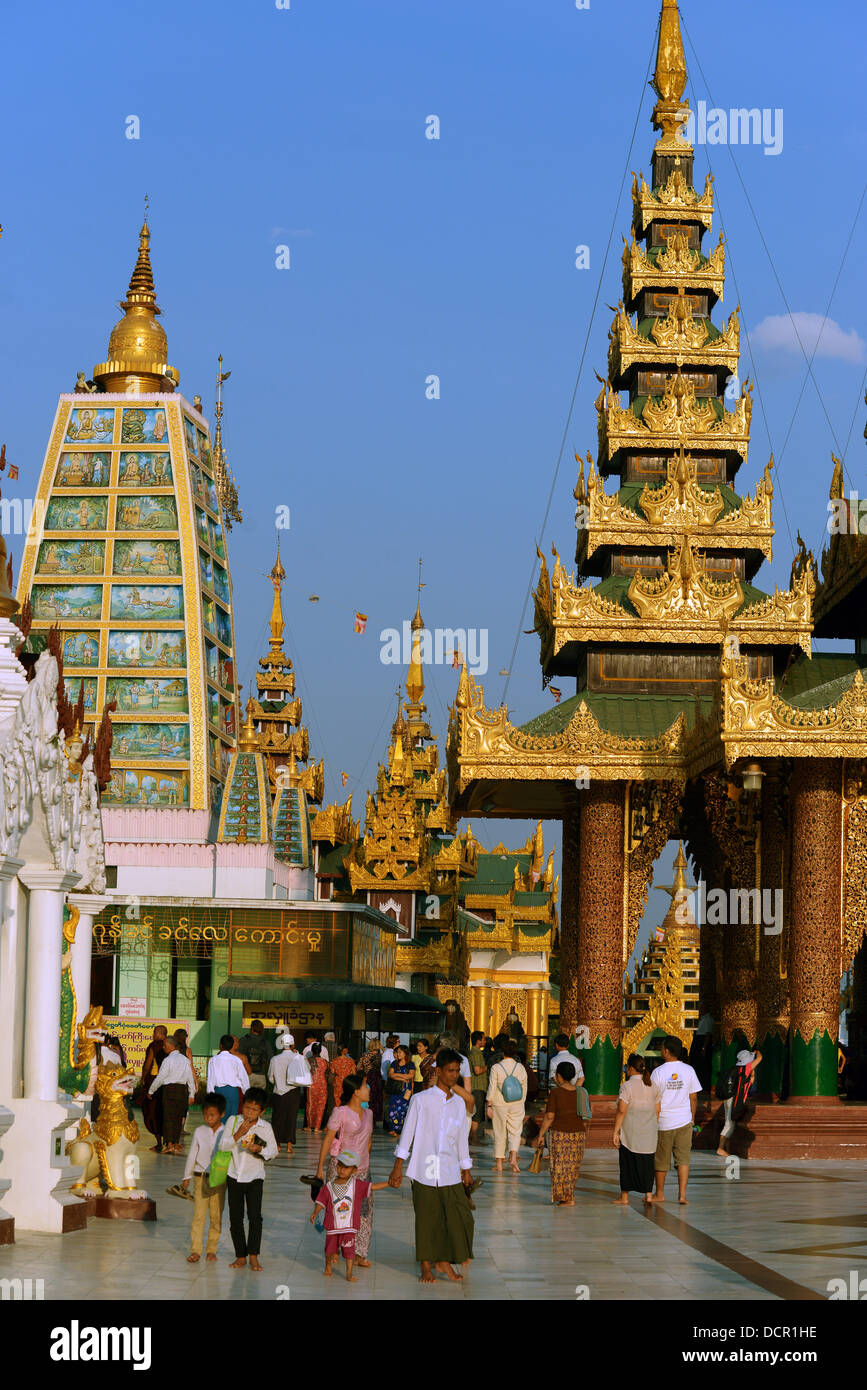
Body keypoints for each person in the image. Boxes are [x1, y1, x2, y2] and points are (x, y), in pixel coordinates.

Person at [388, 1049, 474, 1283]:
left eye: (457, 1071)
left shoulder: (459, 1103)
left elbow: (461, 1138)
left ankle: (444, 1260)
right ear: (439, 1072)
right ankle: (426, 1264)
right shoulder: (421, 1100)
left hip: (449, 1170)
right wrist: (398, 1166)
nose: (455, 1075)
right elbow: (407, 1134)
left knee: (460, 1217)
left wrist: (466, 1169)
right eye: (451, 1070)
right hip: (423, 1169)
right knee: (427, 1218)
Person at [315, 1073, 375, 1266]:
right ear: (356, 1092)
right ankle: (334, 1249)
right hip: (340, 1168)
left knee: (365, 1212)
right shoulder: (340, 1112)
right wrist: (320, 1168)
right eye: (365, 1086)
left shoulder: (370, 1114)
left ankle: (360, 1252)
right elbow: (328, 1139)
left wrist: (365, 1161)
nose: (369, 1090)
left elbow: (369, 1141)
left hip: (362, 1169)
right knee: (338, 1211)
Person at [311, 1150, 392, 1283]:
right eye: (340, 1166)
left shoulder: (357, 1185)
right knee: (329, 1250)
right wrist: (315, 1213)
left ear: (354, 1170)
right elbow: (321, 1201)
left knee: (349, 1251)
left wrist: (389, 1183)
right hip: (333, 1226)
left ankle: (349, 1273)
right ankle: (328, 1266)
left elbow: (372, 1187)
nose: (342, 1170)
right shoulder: (329, 1186)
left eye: (346, 1167)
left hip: (349, 1227)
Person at [223, 1088, 278, 1271]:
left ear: (262, 1111)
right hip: (234, 1175)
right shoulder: (233, 1121)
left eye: (254, 1110)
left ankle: (253, 1255)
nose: (249, 1113)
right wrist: (238, 1133)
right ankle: (240, 1255)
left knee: (255, 1218)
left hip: (255, 1177)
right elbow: (223, 1146)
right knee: (235, 1218)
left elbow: (273, 1152)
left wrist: (260, 1149)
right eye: (247, 1108)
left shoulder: (266, 1127)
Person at [653, 1036, 702, 1205]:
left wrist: (654, 1121)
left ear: (666, 1051)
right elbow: (693, 1097)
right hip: (684, 1121)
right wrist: (692, 1118)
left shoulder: (658, 1072)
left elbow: (655, 1100)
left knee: (661, 1160)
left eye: (662, 1048)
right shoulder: (689, 1070)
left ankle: (659, 1193)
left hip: (664, 1122)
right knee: (683, 1159)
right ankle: (682, 1195)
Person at [180, 1092, 227, 1263]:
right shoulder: (199, 1131)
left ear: (222, 1114)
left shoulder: (226, 1132)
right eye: (206, 1114)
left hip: (219, 1180)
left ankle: (212, 1250)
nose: (208, 1118)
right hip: (200, 1178)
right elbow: (193, 1153)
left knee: (216, 1216)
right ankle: (195, 1250)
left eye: (212, 1115)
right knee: (198, 1216)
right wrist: (187, 1176)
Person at [533, 1061, 585, 1205]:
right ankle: (570, 1195)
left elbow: (550, 1116)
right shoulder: (581, 1092)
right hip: (578, 1134)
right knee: (573, 1166)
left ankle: (564, 1197)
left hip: (560, 1133)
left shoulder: (556, 1092)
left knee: (559, 1166)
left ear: (560, 1076)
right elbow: (586, 1116)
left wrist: (541, 1134)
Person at [612, 1054, 660, 1205]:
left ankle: (625, 1197)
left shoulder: (627, 1086)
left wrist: (615, 1131)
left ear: (631, 1068)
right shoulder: (653, 1085)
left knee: (627, 1164)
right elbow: (658, 1110)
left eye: (627, 1067)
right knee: (647, 1164)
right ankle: (649, 1195)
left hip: (630, 1132)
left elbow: (621, 1111)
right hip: (649, 1131)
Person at [148, 1036, 196, 1155]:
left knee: (168, 1117)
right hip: (182, 1090)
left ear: (171, 1046)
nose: (163, 1047)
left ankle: (169, 1144)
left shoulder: (168, 1060)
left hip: (169, 1090)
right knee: (178, 1117)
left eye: (165, 1045)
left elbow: (161, 1077)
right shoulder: (185, 1060)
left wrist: (151, 1090)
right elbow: (190, 1078)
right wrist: (192, 1094)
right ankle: (175, 1143)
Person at [487, 1039, 528, 1173]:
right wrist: (521, 1102)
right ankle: (513, 1158)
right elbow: (524, 1088)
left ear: (503, 1052)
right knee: (515, 1131)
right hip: (517, 1103)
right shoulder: (521, 1068)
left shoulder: (496, 1067)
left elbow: (492, 1087)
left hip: (500, 1103)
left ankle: (499, 1163)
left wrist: (489, 1104)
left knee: (499, 1132)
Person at [268, 1032, 312, 1153]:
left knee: (277, 1118)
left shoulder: (275, 1059)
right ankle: (289, 1145)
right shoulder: (298, 1057)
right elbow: (307, 1069)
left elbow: (270, 1077)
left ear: (281, 1044)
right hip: (294, 1092)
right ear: (293, 1044)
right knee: (291, 1118)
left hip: (279, 1091)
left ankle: (277, 1144)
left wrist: (278, 1083)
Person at [716, 1048, 762, 1157]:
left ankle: (726, 1148)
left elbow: (750, 1081)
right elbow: (760, 1058)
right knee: (729, 1124)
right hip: (733, 1099)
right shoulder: (746, 1068)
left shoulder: (737, 1068)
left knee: (729, 1122)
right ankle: (720, 1148)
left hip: (729, 1098)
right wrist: (757, 1051)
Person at [207, 1035, 250, 1119]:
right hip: (234, 1092)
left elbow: (211, 1079)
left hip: (219, 1091)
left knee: (220, 1117)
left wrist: (210, 1094)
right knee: (232, 1119)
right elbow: (243, 1078)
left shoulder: (213, 1060)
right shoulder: (237, 1060)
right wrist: (246, 1093)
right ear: (231, 1046)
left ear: (220, 1045)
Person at [140, 1025, 168, 1151]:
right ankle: (169, 1142)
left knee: (152, 1112)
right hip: (167, 1083)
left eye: (155, 1032)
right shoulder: (170, 1047)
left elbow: (148, 1063)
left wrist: (143, 1077)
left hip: (154, 1081)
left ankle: (159, 1142)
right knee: (164, 1112)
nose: (153, 1035)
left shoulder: (154, 1046)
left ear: (162, 1034)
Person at [386, 1044, 415, 1137]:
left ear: (405, 1053)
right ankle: (393, 1128)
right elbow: (390, 1075)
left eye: (400, 1052)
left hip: (406, 1092)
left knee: (403, 1111)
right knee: (392, 1109)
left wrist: (397, 1075)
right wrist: (403, 1078)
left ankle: (399, 1130)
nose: (397, 1054)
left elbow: (411, 1076)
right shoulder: (394, 1063)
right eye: (397, 1052)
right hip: (395, 1091)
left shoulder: (410, 1064)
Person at [237, 1019, 272, 1089]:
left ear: (252, 1028)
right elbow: (270, 1058)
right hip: (261, 1075)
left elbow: (238, 1057)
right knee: (259, 1097)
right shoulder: (265, 1042)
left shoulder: (243, 1040)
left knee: (247, 1097)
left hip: (246, 1075)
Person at [468, 1031, 488, 1143]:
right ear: (478, 1041)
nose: (485, 1041)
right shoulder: (475, 1053)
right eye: (483, 1039)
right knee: (477, 1113)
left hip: (478, 1086)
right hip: (477, 1086)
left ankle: (473, 1137)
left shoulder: (477, 1052)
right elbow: (477, 1070)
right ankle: (474, 1138)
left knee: (477, 1113)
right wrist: (487, 1067)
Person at [358, 1038, 384, 1121]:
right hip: (377, 1078)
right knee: (376, 1099)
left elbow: (358, 1067)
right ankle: (374, 1118)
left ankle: (365, 1116)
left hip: (367, 1078)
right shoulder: (380, 1056)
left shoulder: (364, 1056)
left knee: (368, 1098)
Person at [306, 1042, 329, 1133]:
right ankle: (317, 1127)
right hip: (323, 1084)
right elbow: (327, 1074)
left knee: (311, 1105)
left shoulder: (308, 1060)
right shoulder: (325, 1062)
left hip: (311, 1084)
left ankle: (309, 1125)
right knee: (321, 1105)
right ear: (320, 1051)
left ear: (312, 1051)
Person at [328, 1043, 357, 1108]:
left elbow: (332, 1073)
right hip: (348, 1084)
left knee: (338, 1102)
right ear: (345, 1050)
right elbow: (354, 1074)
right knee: (347, 1102)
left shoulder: (334, 1061)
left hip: (337, 1084)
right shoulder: (351, 1061)